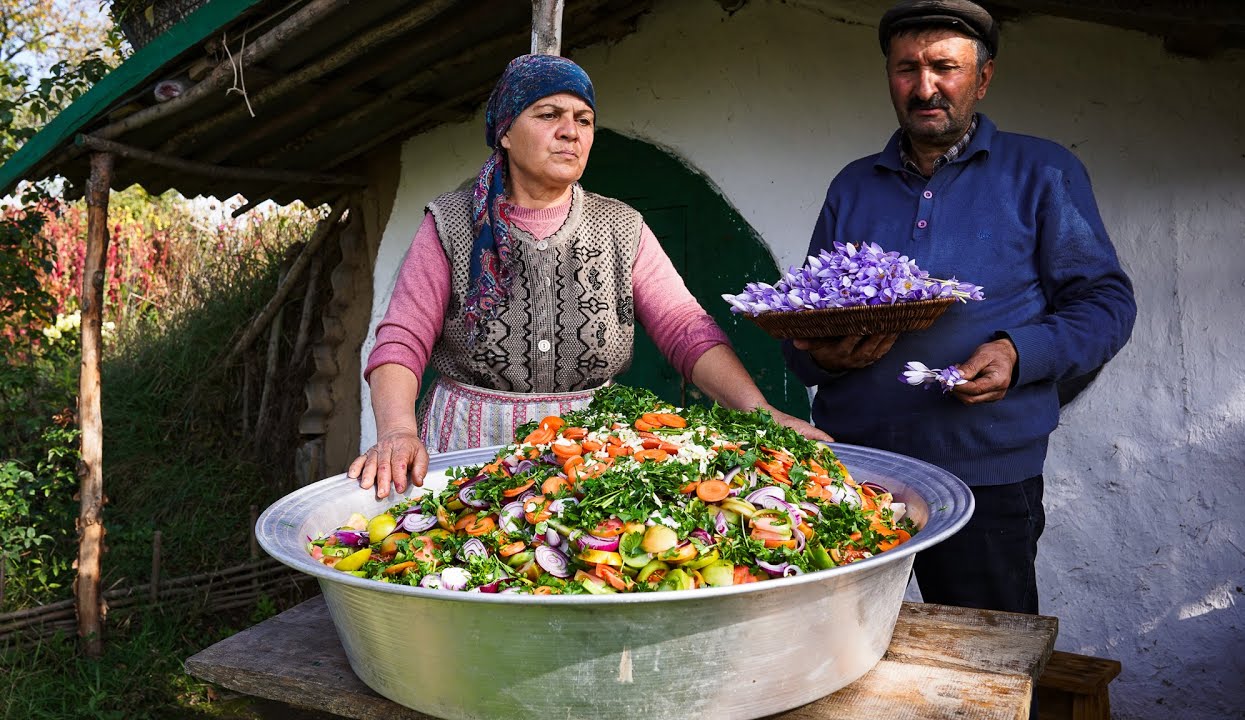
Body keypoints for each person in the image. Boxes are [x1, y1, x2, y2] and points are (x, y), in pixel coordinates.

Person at [783, 0, 1136, 617]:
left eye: (944, 67)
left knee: (988, 653)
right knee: (842, 649)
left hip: (988, 473)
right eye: (906, 69)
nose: (925, 87)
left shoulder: (1042, 171)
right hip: (860, 471)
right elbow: (804, 325)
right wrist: (824, 355)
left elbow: (1105, 303)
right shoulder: (853, 185)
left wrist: (1020, 353)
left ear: (984, 76)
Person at [350, 54, 830, 500]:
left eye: (583, 120)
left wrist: (760, 412)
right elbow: (402, 339)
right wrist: (396, 432)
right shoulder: (451, 223)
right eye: (548, 115)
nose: (570, 132)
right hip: (468, 448)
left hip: (589, 456)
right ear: (505, 132)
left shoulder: (620, 227)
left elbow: (684, 328)